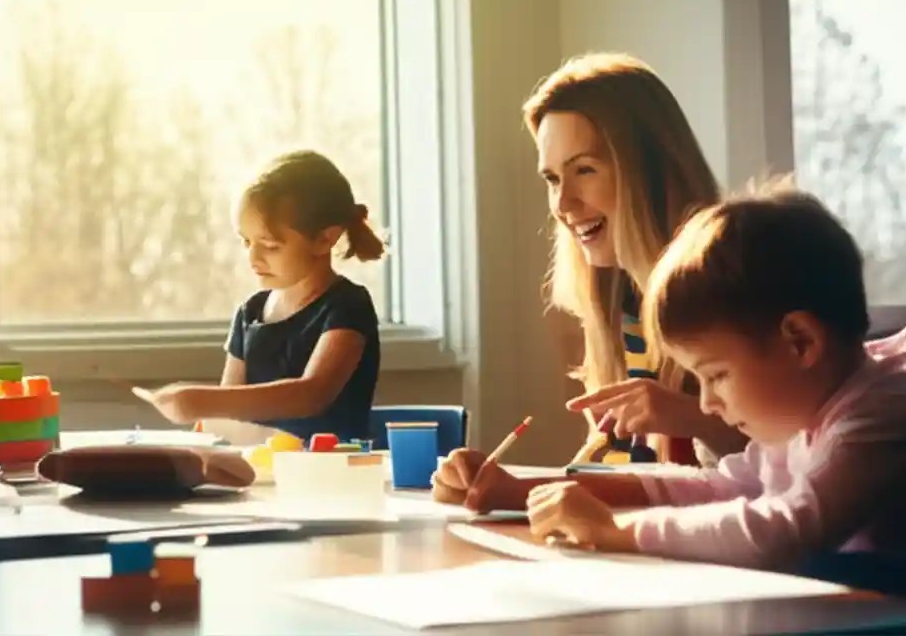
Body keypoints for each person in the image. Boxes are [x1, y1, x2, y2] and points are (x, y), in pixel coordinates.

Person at [516, 185, 906, 569]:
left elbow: (785, 530)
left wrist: (619, 532)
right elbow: (722, 486)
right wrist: (545, 493)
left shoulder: (891, 412)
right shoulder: (812, 407)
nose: (706, 404)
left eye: (716, 375)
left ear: (800, 342)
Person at [434, 53, 748, 511]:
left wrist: (690, 418)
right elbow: (619, 469)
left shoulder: (738, 282)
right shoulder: (620, 299)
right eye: (551, 178)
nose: (563, 203)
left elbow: (792, 465)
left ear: (651, 167)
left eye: (584, 170)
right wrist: (496, 483)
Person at [132, 150, 384, 442]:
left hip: (333, 472)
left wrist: (202, 401)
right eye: (246, 242)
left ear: (325, 239)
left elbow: (312, 394)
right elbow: (229, 418)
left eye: (270, 245)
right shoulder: (249, 313)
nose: (253, 257)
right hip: (263, 474)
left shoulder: (347, 305)